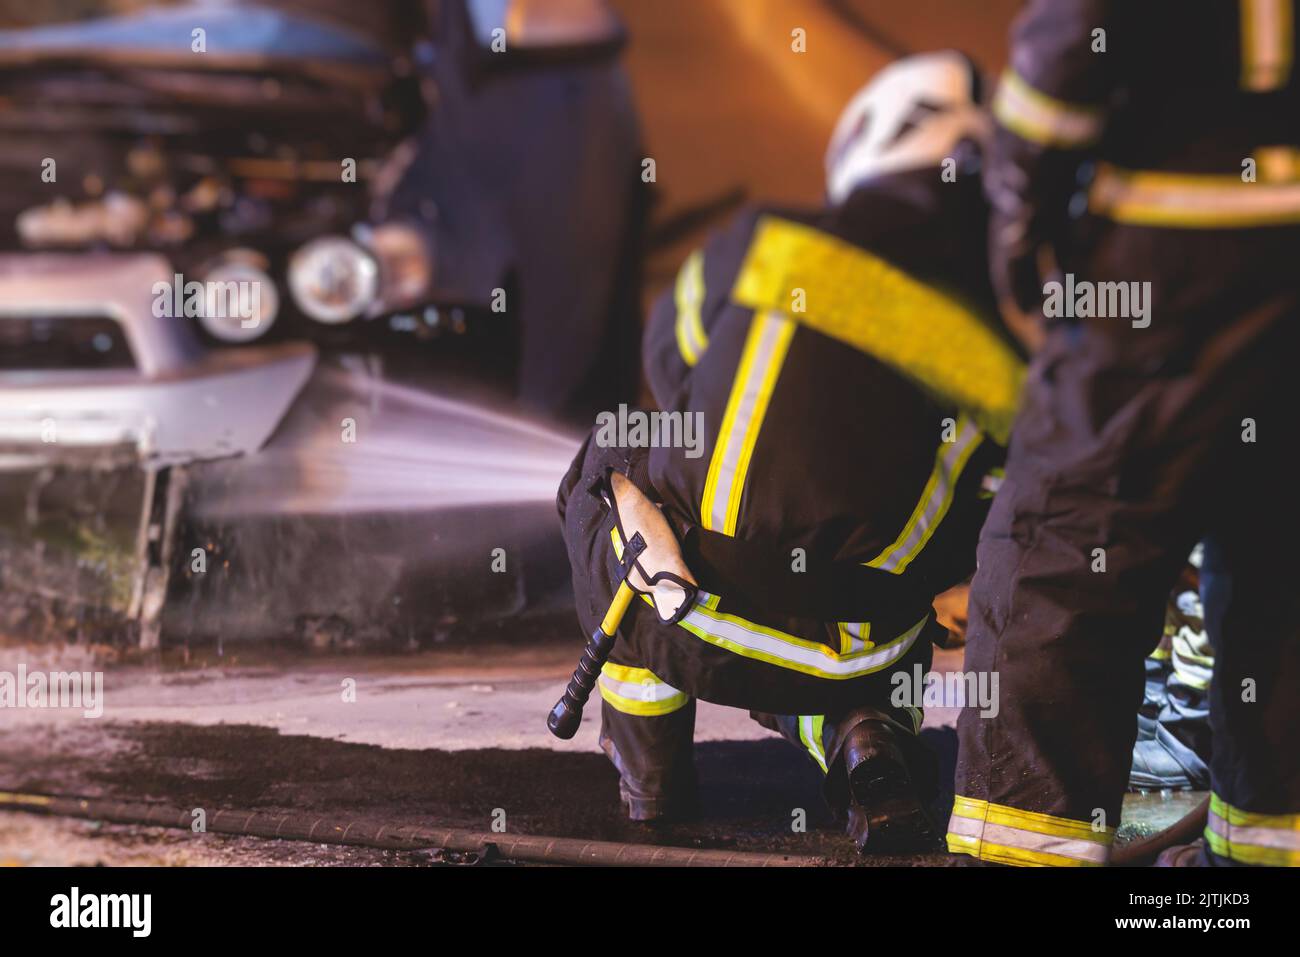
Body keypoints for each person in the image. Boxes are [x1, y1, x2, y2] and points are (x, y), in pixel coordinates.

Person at [557, 52, 1026, 852]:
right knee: (847, 643)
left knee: (608, 466)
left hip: (693, 618)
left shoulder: (760, 246)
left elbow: (671, 375)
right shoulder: (1008, 344)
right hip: (867, 647)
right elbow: (1004, 514)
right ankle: (863, 736)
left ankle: (652, 780)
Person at [950, 0, 1300, 866]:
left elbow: (1070, 44)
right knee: (1281, 556)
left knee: (1063, 555)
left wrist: (1020, 209)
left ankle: (1024, 851)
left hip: (1171, 246)